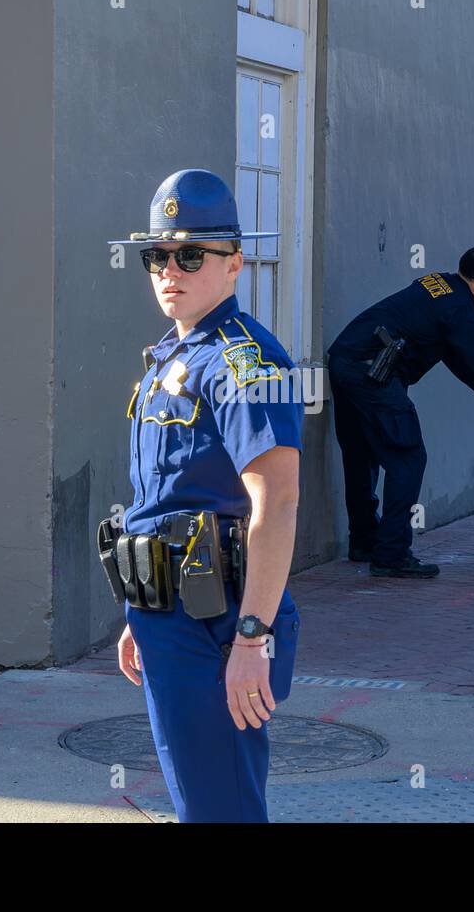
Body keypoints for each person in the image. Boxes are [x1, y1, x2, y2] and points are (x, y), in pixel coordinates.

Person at [102, 169, 302, 822]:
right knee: (203, 800)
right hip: (171, 614)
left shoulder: (246, 361)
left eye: (191, 255)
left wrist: (252, 638)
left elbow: (278, 503)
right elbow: (162, 496)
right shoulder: (172, 355)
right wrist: (141, 612)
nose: (170, 269)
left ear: (235, 263)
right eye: (157, 255)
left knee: (221, 807)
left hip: (219, 622)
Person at [328, 246, 474, 578]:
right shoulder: (461, 312)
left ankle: (364, 540)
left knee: (362, 454)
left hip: (345, 360)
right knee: (408, 457)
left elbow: (461, 361)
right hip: (372, 374)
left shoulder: (438, 285)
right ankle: (390, 553)